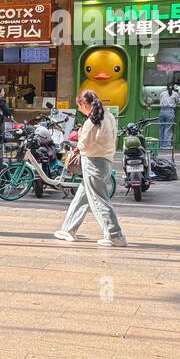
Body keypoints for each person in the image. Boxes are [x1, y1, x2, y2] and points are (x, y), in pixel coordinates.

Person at [54, 90, 126, 247]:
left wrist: (79, 136)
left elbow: (83, 145)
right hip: (105, 161)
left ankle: (115, 235)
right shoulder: (109, 116)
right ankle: (68, 229)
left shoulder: (92, 122)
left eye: (79, 106)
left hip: (93, 163)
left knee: (99, 200)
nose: (79, 110)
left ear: (83, 105)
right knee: (82, 196)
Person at [155, 83, 180, 151]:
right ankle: (166, 145)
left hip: (162, 111)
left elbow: (159, 99)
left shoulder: (162, 93)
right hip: (170, 110)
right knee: (168, 128)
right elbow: (179, 101)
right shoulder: (175, 93)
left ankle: (161, 144)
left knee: (161, 128)